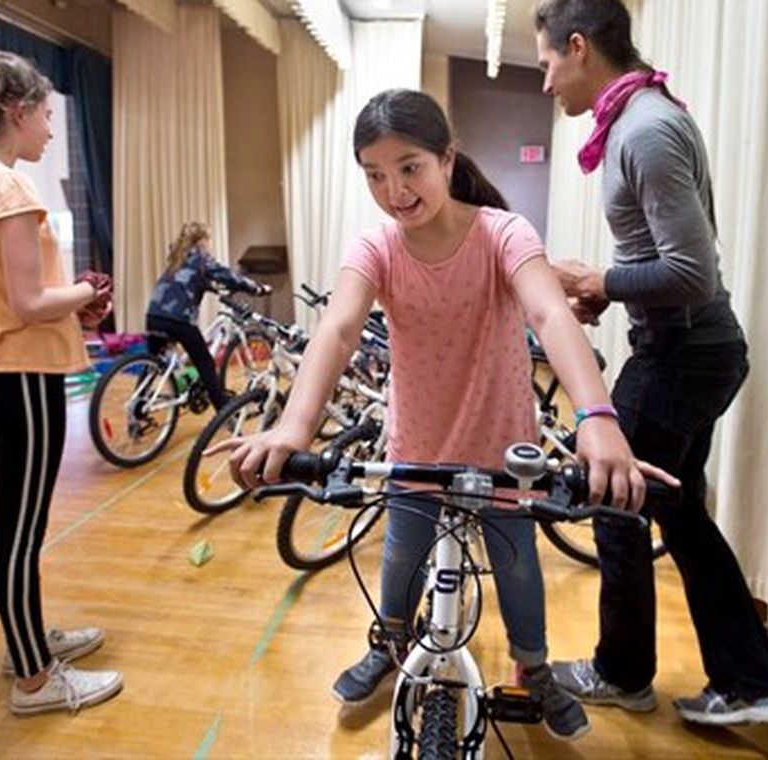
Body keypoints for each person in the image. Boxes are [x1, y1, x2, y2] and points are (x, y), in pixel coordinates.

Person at [222, 88, 676, 742]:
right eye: (374, 174)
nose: (394, 189)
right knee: (401, 557)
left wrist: (597, 417)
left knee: (518, 565)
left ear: (446, 158)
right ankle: (388, 644)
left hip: (502, 447)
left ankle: (535, 669)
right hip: (417, 444)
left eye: (410, 167)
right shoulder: (376, 246)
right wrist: (294, 425)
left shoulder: (502, 233)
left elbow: (549, 313)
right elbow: (339, 330)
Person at [533, 0, 768, 726]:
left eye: (548, 63)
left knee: (612, 498)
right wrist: (611, 290)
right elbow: (668, 267)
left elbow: (692, 273)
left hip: (683, 356)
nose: (547, 82)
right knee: (677, 516)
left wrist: (597, 282)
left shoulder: (645, 130)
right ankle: (751, 682)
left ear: (580, 47)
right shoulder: (638, 119)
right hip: (692, 349)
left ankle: (623, 673)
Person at [0, 37, 122, 715]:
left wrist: (69, 295)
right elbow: (29, 304)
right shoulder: (5, 183)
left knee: (7, 521)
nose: (50, 127)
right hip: (20, 369)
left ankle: (28, 645)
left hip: (1, 371)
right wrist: (83, 290)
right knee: (20, 528)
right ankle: (36, 679)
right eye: (45, 114)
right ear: (16, 111)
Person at [144, 221, 265, 411]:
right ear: (201, 241)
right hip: (178, 320)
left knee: (152, 364)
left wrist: (210, 286)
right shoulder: (200, 258)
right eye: (208, 238)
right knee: (205, 363)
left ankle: (139, 404)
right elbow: (228, 276)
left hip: (154, 316)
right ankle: (224, 411)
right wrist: (256, 288)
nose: (210, 243)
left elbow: (187, 283)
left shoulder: (177, 258)